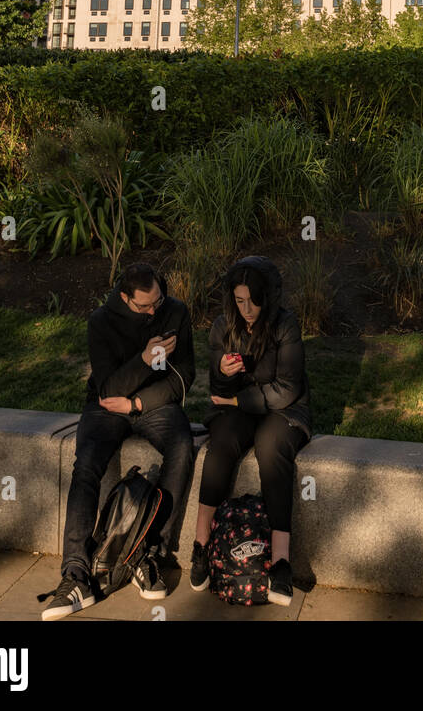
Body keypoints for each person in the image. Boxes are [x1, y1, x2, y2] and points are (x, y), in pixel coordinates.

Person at [41, 262, 195, 620]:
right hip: (108, 406)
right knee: (87, 464)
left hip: (153, 403)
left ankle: (151, 552)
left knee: (182, 446)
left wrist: (139, 403)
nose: (154, 310)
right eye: (145, 306)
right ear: (125, 298)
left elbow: (184, 376)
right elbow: (108, 388)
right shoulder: (101, 322)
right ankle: (76, 573)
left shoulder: (175, 312)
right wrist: (145, 360)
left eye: (158, 299)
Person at [189, 255, 311, 606]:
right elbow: (216, 389)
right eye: (240, 300)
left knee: (271, 447)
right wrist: (223, 372)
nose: (247, 309)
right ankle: (199, 545)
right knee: (222, 442)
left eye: (253, 300)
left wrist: (237, 402)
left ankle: (282, 563)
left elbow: (286, 388)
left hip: (283, 408)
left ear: (268, 297)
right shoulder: (222, 327)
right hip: (238, 407)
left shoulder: (286, 325)